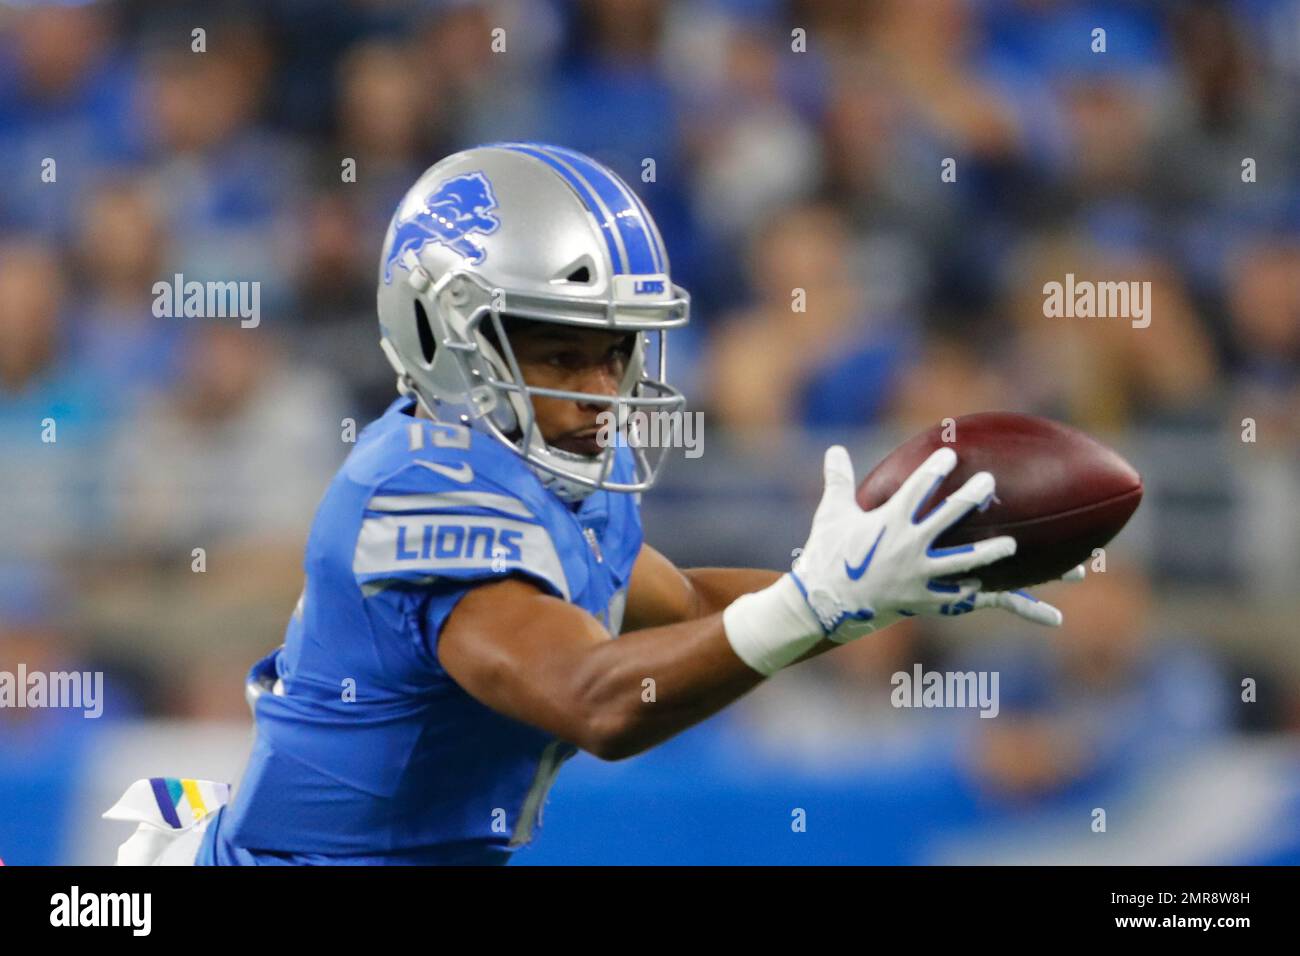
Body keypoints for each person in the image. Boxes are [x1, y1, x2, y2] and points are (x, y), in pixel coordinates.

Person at [107, 143, 1069, 865]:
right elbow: (597, 698)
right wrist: (812, 606)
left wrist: (872, 587)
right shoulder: (419, 488)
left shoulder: (548, 466)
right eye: (563, 352)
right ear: (442, 339)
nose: (603, 392)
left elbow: (685, 611)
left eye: (615, 352)